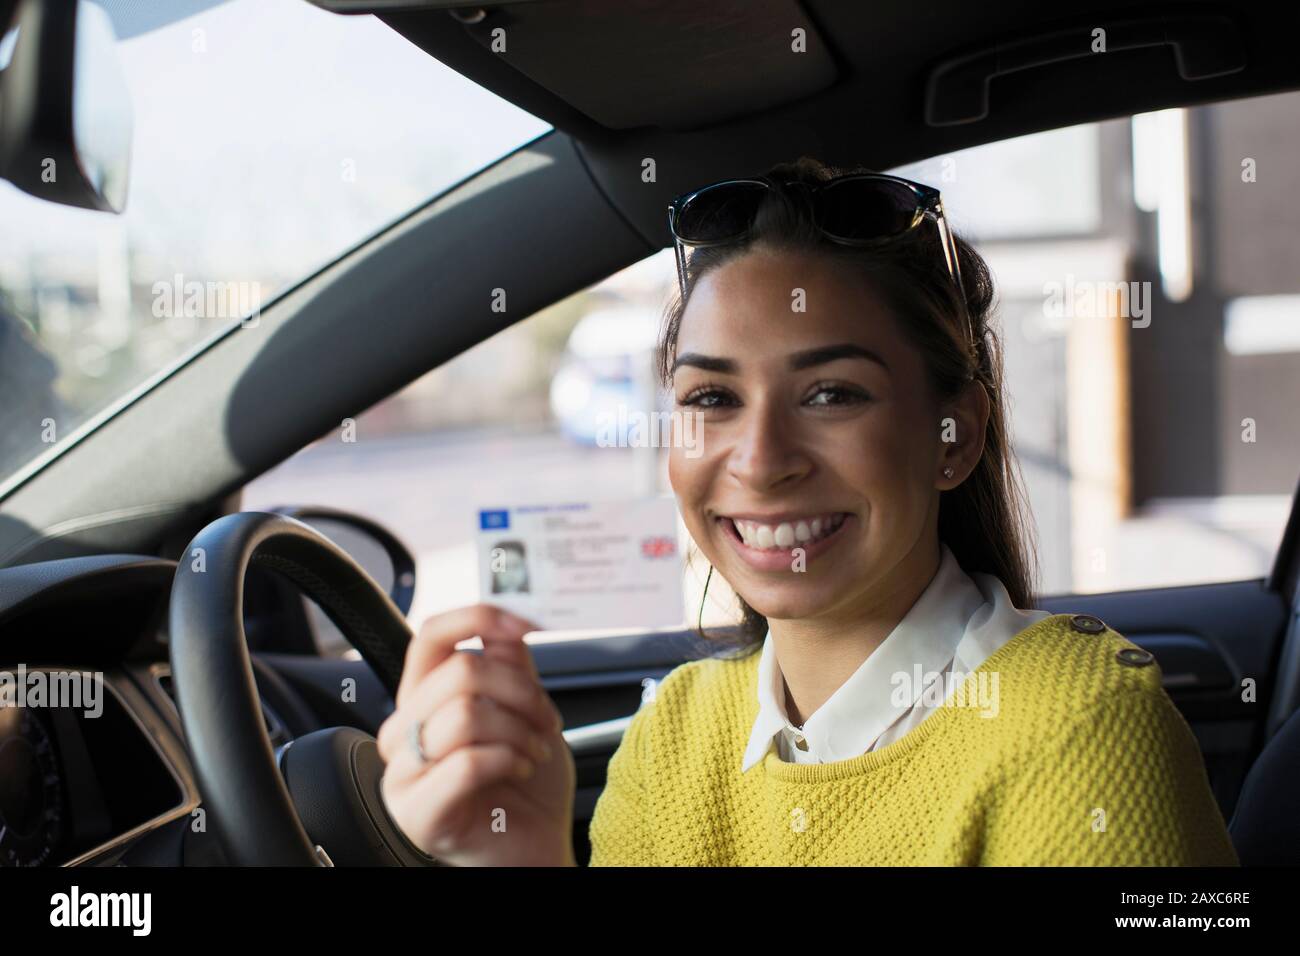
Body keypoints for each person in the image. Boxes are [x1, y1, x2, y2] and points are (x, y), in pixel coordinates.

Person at [375, 157, 1239, 866]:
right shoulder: (674, 727)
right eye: (711, 397)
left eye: (830, 394)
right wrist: (515, 855)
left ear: (953, 435)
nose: (758, 460)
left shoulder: (1080, 724)